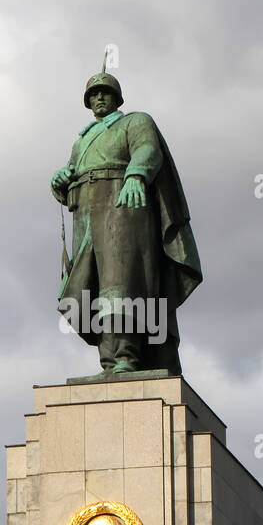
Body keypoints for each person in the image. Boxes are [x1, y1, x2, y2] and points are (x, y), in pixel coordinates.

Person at [51, 70, 202, 375]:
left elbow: (148, 149)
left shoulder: (135, 121)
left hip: (123, 206)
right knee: (91, 288)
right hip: (86, 215)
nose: (99, 98)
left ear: (117, 97)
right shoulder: (82, 140)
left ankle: (126, 356)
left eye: (105, 92)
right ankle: (108, 362)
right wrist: (59, 182)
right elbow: (70, 176)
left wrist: (136, 174)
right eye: (94, 95)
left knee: (122, 285)